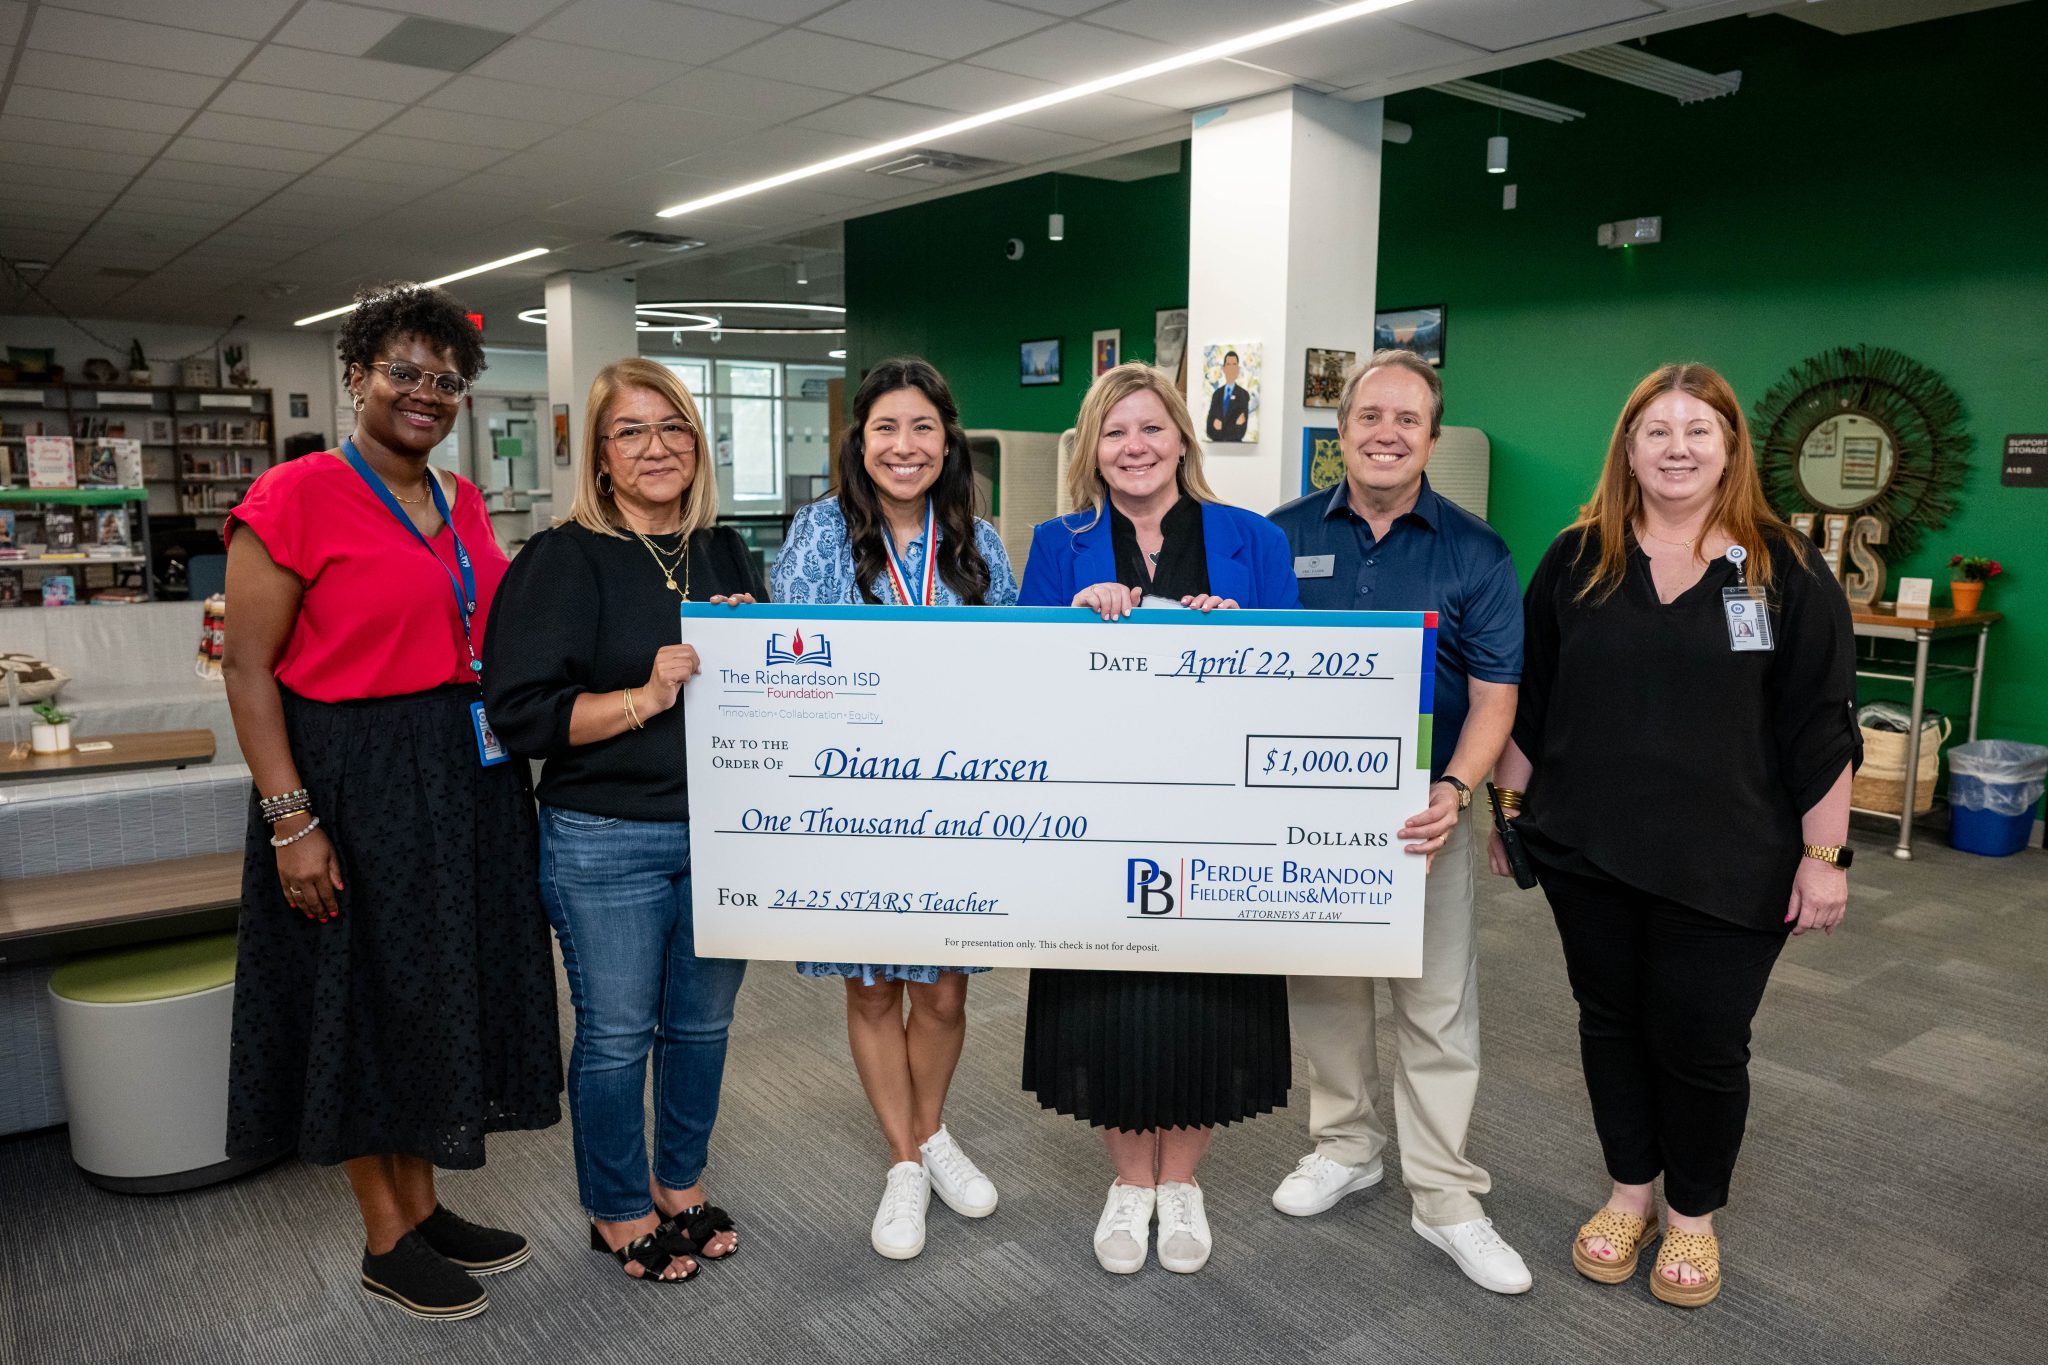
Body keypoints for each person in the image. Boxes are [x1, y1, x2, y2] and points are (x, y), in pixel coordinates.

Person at [220, 283, 561, 1322]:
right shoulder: (293, 495)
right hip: (348, 779)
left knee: (432, 997)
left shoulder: (457, 502)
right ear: (358, 375)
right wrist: (293, 820)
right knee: (363, 1001)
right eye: (402, 372)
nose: (425, 393)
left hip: (458, 774)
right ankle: (382, 1236)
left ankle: (422, 1207)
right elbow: (247, 670)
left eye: (445, 379)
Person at [1491, 363, 1856, 1308]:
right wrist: (1510, 810)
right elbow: (1534, 698)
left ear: (1731, 446)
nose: (1678, 447)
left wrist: (1825, 858)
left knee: (1701, 1040)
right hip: (1590, 849)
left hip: (1732, 861)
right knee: (1610, 1025)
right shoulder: (1580, 557)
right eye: (1658, 430)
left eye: (1699, 430)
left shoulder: (1786, 567)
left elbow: (1822, 723)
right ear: (1629, 445)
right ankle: (1628, 1193)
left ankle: (1691, 1214)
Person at [483, 358, 764, 1285]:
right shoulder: (559, 557)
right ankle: (617, 1203)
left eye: (674, 426)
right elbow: (522, 714)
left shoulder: (722, 549)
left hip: (721, 828)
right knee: (615, 1032)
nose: (657, 447)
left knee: (702, 1026)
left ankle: (679, 1182)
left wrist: (752, 641)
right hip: (606, 835)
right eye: (631, 431)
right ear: (599, 456)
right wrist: (646, 695)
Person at [1018, 361, 1300, 1276]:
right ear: (1091, 451)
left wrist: (1237, 632)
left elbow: (1292, 675)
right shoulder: (1057, 543)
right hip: (1097, 815)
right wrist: (1070, 619)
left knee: (1201, 1007)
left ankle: (1180, 1183)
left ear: (1184, 437)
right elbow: (1016, 683)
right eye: (1114, 432)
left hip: (1219, 818)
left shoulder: (1254, 543)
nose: (1133, 448)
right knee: (1110, 1008)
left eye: (1150, 429)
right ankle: (1128, 1183)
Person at [1265, 349, 1531, 1296]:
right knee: (1327, 993)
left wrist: (1457, 793)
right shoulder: (1278, 535)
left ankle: (1447, 1193)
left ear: (1431, 435)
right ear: (1341, 432)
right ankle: (1346, 1146)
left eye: (1407, 420)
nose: (1386, 433)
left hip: (1429, 812)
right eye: (1369, 416)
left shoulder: (1476, 551)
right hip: (1307, 815)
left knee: (1436, 1005)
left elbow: (1498, 699)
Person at [771, 357, 1018, 1261]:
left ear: (946, 440)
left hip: (953, 802)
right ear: (860, 441)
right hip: (849, 802)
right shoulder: (815, 534)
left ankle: (934, 1130)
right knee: (873, 982)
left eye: (922, 428)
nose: (904, 446)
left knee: (943, 987)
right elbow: (791, 663)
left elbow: (1017, 672)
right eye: (886, 428)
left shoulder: (980, 542)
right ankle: (906, 1160)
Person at [1205, 349, 1250, 442]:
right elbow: (1209, 430)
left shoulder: (1243, 395)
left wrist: (1221, 427)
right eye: (1229, 365)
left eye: (1234, 365)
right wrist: (1233, 424)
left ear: (1238, 369)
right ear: (1224, 368)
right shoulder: (1217, 394)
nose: (1231, 368)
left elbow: (1240, 432)